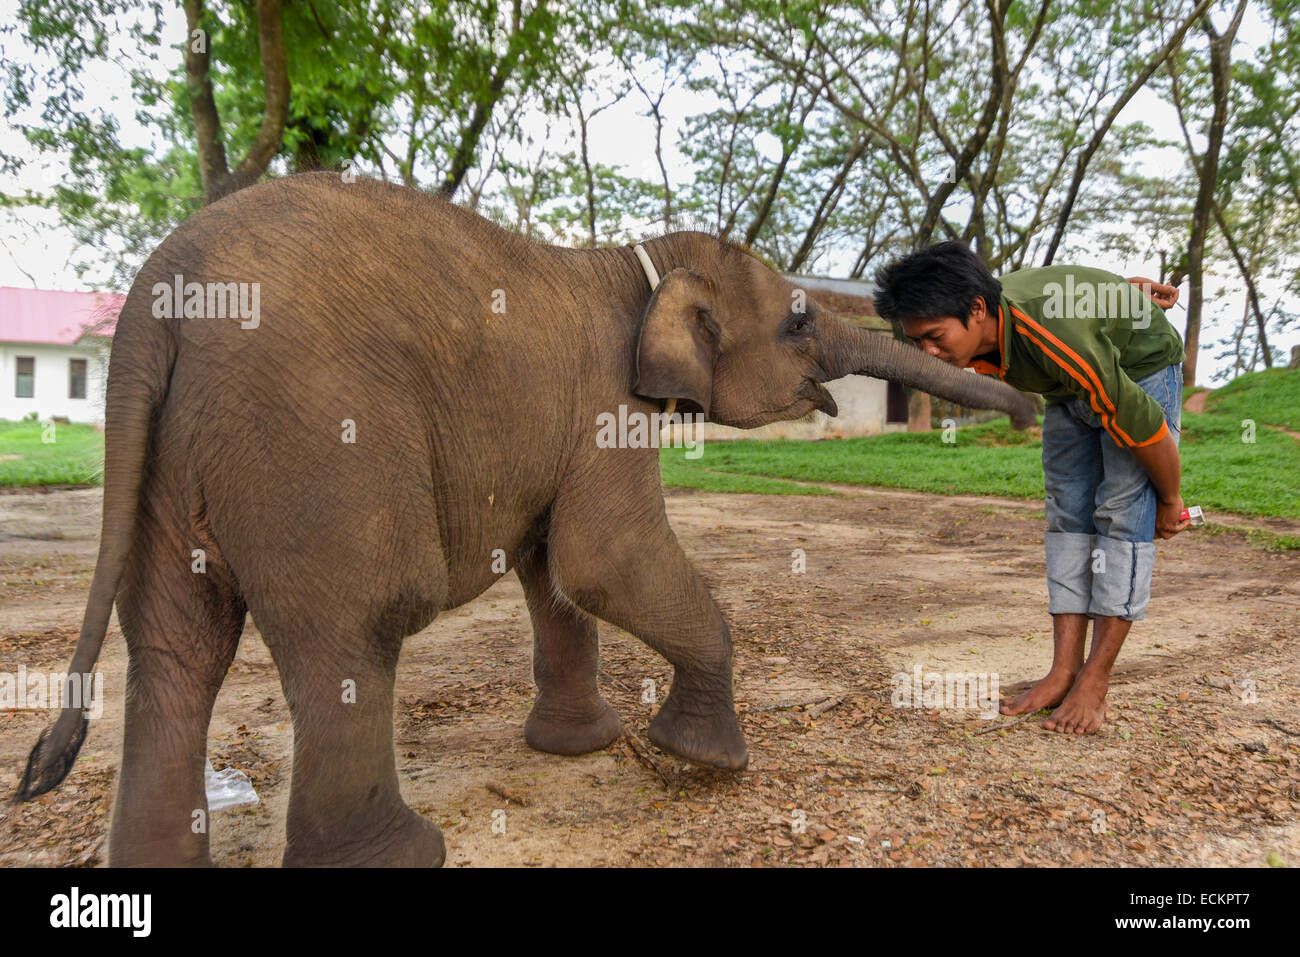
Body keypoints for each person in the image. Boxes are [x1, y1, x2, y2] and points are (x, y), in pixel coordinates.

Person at [872, 241, 1189, 733]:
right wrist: (1120, 295)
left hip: (1138, 369)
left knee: (1122, 514)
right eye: (918, 341)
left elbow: (1147, 430)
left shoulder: (1057, 342)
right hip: (1068, 385)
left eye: (934, 336)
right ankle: (1063, 672)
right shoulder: (991, 322)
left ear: (978, 310)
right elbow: (1066, 292)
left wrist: (1169, 500)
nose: (927, 352)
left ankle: (1095, 681)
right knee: (1067, 515)